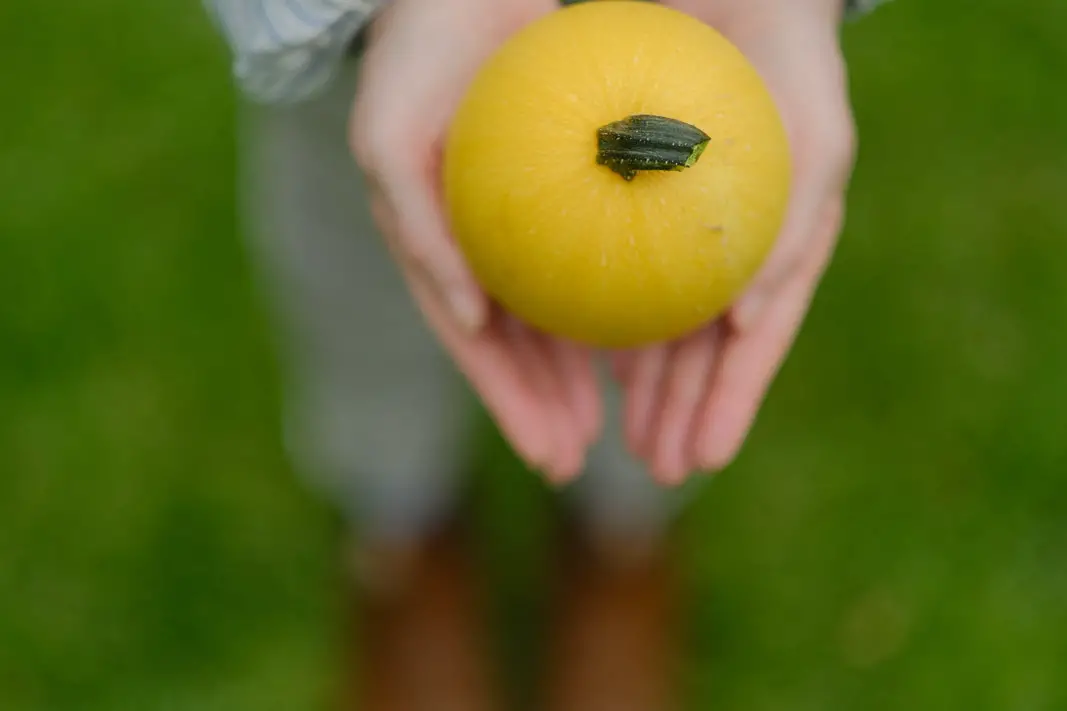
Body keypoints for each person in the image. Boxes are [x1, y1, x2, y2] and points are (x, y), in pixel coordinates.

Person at [203, 0, 887, 708]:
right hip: (365, 41)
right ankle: (398, 530)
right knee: (362, 288)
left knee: (663, 374)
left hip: (715, 36)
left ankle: (623, 536)